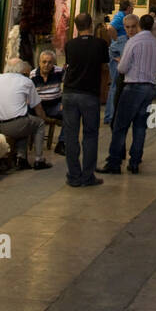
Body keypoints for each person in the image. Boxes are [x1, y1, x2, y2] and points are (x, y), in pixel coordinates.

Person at [101, 14, 156, 175]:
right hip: (150, 87)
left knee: (120, 126)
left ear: (140, 26)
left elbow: (122, 68)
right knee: (140, 126)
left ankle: (114, 162)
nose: (130, 30)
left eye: (133, 26)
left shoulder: (134, 42)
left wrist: (121, 62)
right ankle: (134, 162)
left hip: (133, 86)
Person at [61, 12, 108, 188]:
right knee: (90, 135)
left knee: (71, 136)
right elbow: (104, 68)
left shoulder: (70, 45)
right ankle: (87, 176)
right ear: (91, 24)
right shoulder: (100, 44)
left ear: (76, 26)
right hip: (90, 94)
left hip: (70, 93)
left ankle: (74, 175)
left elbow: (70, 65)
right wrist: (103, 92)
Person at [0, 59, 51, 171]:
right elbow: (38, 108)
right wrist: (44, 119)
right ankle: (39, 160)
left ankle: (21, 158)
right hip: (16, 125)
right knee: (38, 124)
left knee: (25, 118)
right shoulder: (26, 81)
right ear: (22, 69)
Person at [30, 50, 66, 154]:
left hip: (54, 105)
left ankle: (61, 143)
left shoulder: (59, 71)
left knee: (70, 114)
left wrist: (64, 102)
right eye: (44, 62)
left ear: (54, 63)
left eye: (50, 62)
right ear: (39, 62)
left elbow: (69, 87)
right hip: (37, 107)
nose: (46, 65)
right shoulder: (33, 74)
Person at [104, 13, 134, 125]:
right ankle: (110, 116)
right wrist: (118, 59)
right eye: (127, 27)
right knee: (114, 88)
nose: (130, 30)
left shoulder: (137, 40)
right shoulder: (121, 40)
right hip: (119, 71)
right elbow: (111, 50)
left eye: (133, 26)